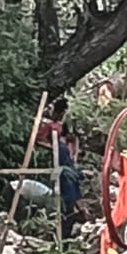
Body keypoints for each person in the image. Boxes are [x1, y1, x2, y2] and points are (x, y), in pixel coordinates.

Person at [35, 98, 82, 238]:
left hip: (68, 164)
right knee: (64, 197)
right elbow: (38, 139)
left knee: (73, 195)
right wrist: (52, 148)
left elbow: (73, 143)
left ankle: (69, 226)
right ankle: (61, 231)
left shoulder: (67, 128)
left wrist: (74, 154)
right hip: (61, 165)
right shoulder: (52, 127)